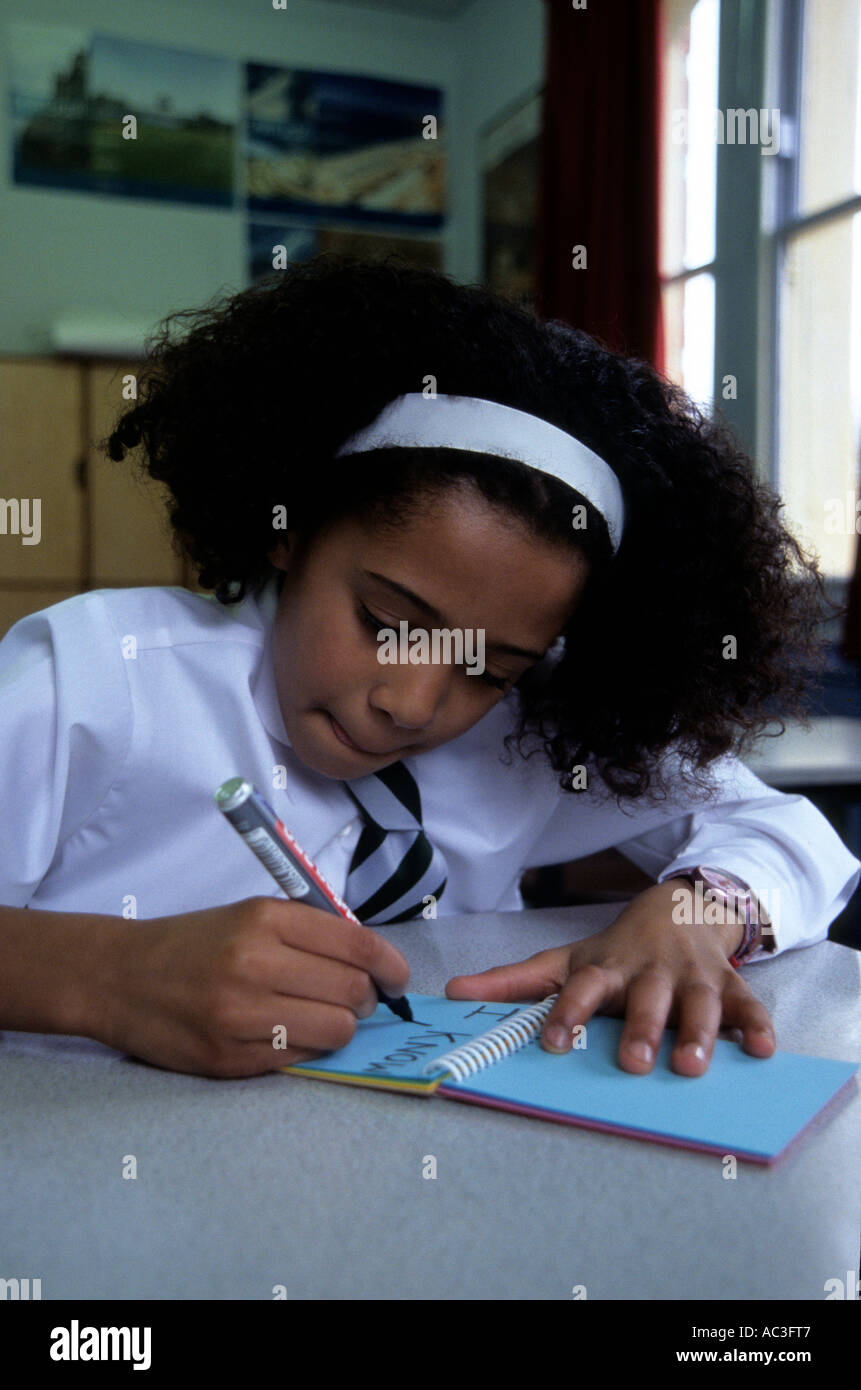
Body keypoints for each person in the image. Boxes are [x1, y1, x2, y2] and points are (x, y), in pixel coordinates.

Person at [0, 254, 857, 1081]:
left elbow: (790, 834)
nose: (412, 703)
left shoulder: (543, 735)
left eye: (490, 670)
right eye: (386, 621)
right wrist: (107, 977)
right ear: (289, 527)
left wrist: (694, 916)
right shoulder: (96, 678)